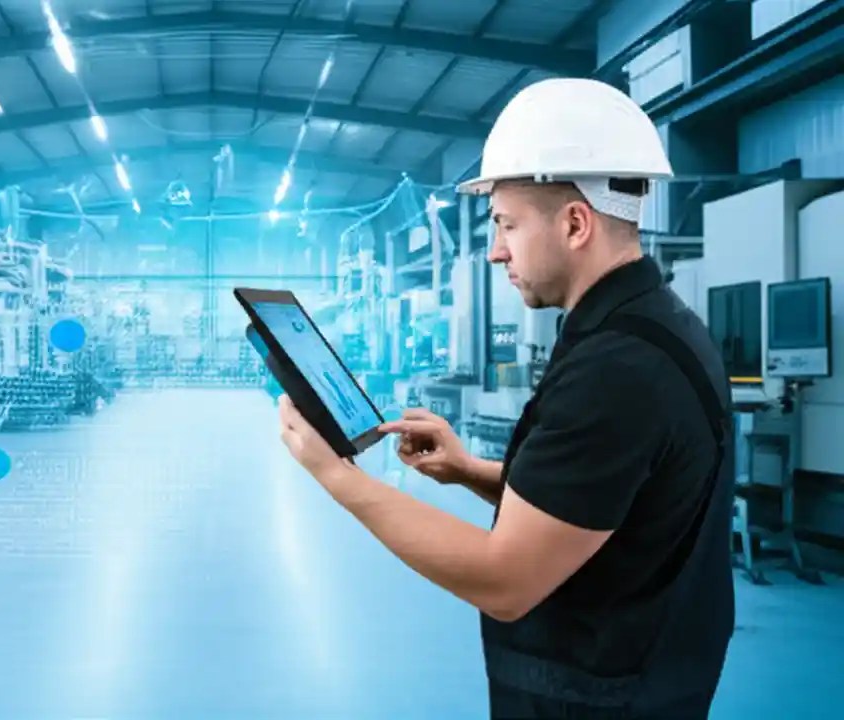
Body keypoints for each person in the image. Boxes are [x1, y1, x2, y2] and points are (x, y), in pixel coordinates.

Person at [277, 78, 734, 719]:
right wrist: (469, 472)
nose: (494, 251)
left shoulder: (618, 368)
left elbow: (505, 579)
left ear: (576, 223)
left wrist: (337, 478)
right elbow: (599, 504)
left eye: (506, 224)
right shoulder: (655, 327)